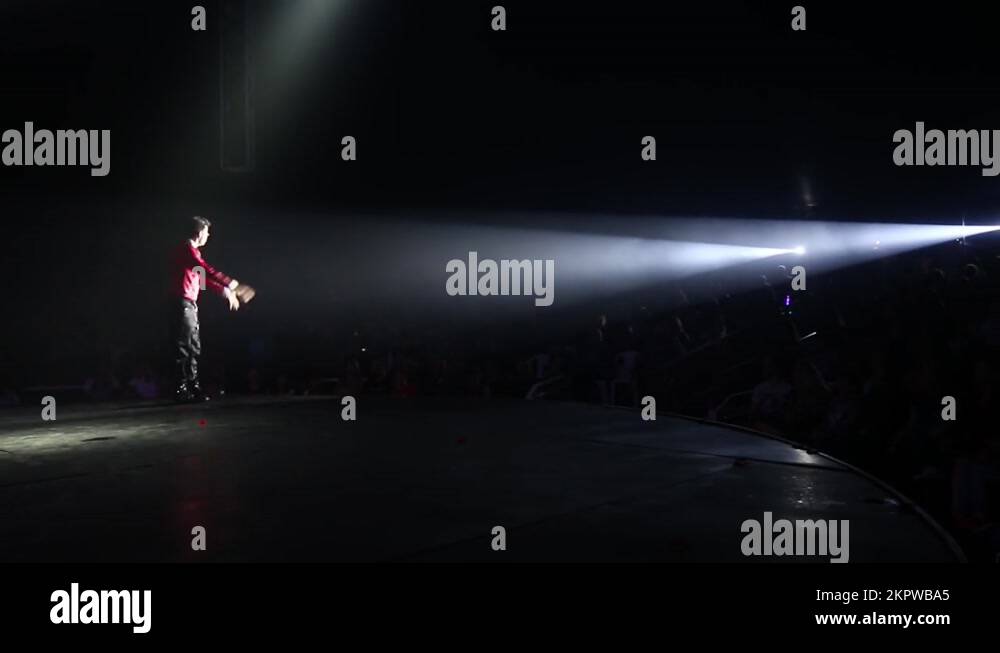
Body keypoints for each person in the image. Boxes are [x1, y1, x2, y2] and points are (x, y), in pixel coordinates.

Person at [168, 216, 252, 402]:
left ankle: (192, 386)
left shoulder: (193, 253)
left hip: (190, 304)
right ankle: (181, 389)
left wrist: (224, 291)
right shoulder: (186, 250)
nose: (209, 235)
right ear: (199, 232)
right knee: (184, 347)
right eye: (207, 231)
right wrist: (233, 284)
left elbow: (202, 280)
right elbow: (206, 270)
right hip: (182, 303)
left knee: (193, 346)